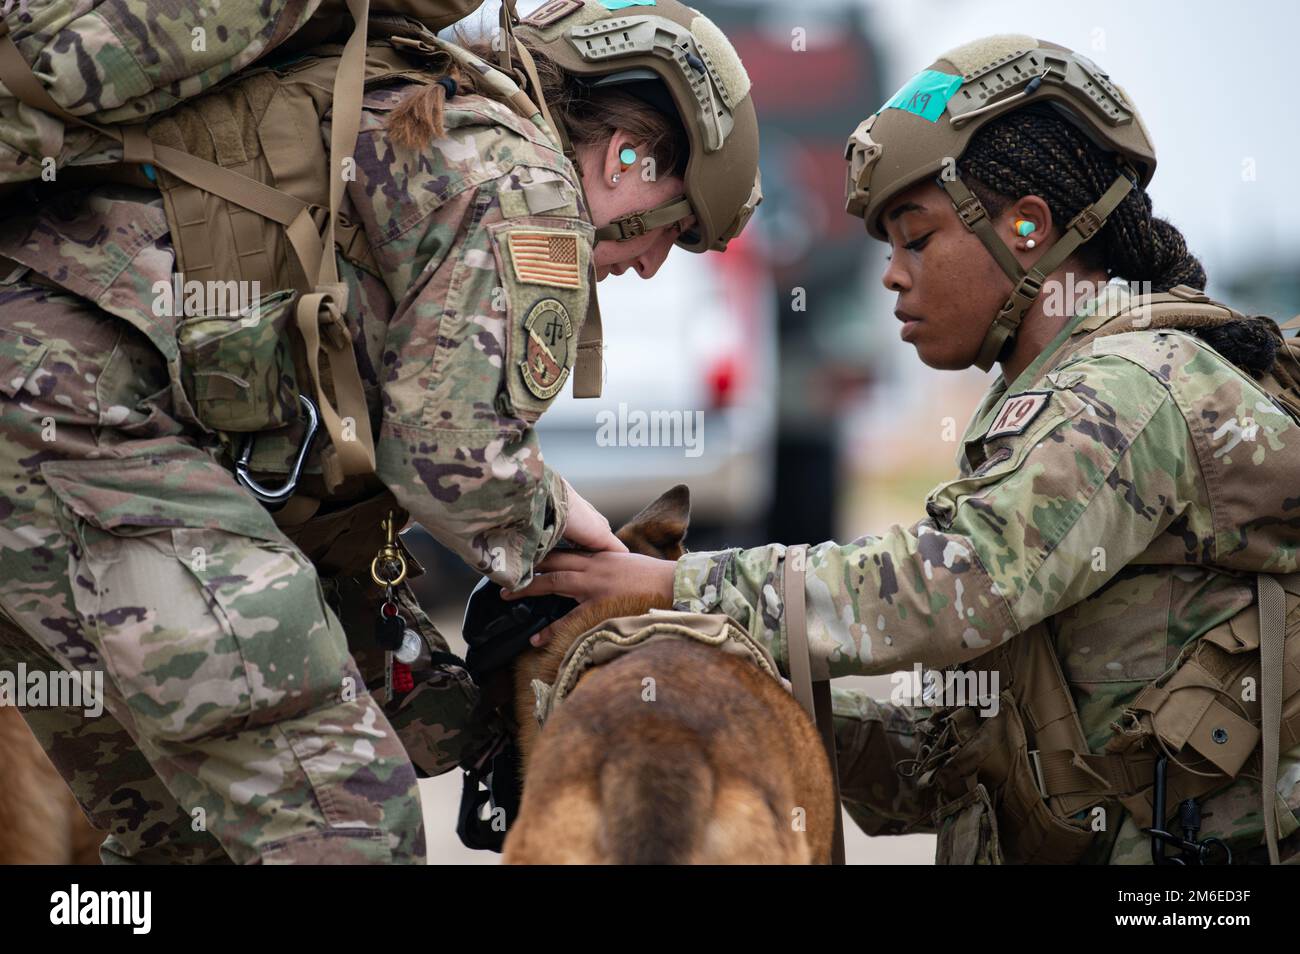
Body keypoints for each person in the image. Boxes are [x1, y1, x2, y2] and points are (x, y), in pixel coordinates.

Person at [505, 34, 1300, 864]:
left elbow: (960, 582)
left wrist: (675, 587)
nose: (891, 275)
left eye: (915, 239)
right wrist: (705, 698)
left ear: (1029, 227)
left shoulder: (1132, 388)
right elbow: (952, 765)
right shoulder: (1052, 407)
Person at [0, 0, 759, 863]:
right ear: (629, 154)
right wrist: (555, 525)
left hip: (43, 434)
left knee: (185, 841)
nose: (656, 261)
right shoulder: (528, 184)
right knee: (347, 822)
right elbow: (455, 465)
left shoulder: (410, 107)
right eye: (677, 223)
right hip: (77, 429)